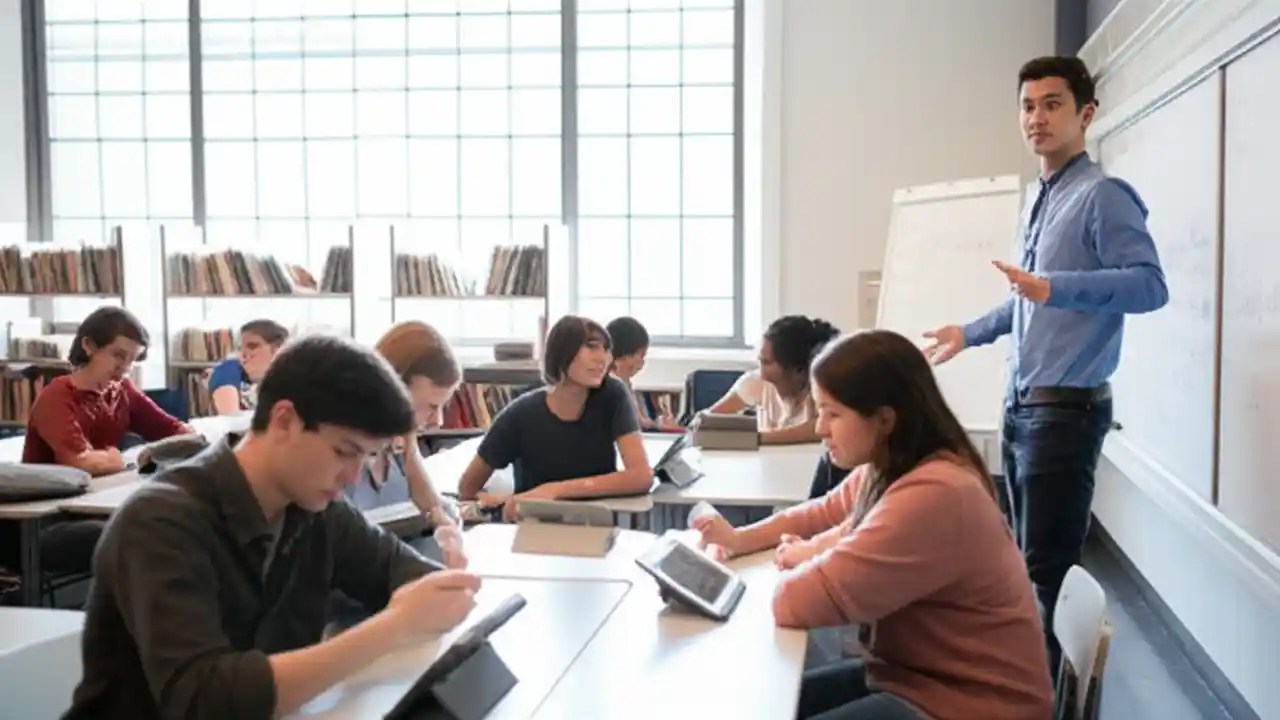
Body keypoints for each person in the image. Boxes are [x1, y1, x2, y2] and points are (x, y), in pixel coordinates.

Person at [63, 335, 482, 719]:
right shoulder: (160, 522)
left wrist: (447, 586)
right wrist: (396, 625)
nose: (354, 476)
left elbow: (402, 576)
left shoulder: (318, 509)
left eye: (366, 456)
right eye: (344, 452)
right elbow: (203, 700)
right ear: (284, 421)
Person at [921, 56, 1168, 660]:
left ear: (1085, 114)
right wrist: (969, 331)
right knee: (1024, 569)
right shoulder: (1039, 196)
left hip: (1066, 411)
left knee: (1046, 574)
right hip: (1023, 407)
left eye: (1053, 104)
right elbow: (1027, 303)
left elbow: (1149, 286)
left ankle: (1040, 701)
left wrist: (1057, 286)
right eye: (1028, 106)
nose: (1037, 117)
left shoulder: (1103, 196)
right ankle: (1026, 689)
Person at [694, 331, 1053, 720]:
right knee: (761, 704)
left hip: (971, 703)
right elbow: (822, 512)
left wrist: (810, 553)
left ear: (884, 419)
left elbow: (794, 602)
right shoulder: (897, 464)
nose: (820, 428)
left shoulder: (935, 493)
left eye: (831, 413)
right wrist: (740, 539)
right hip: (920, 676)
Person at [456, 316, 651, 519]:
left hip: (594, 523)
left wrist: (555, 490)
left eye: (606, 349)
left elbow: (641, 476)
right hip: (534, 526)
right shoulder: (521, 414)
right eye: (592, 347)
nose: (602, 358)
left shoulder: (612, 394)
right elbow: (467, 488)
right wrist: (496, 500)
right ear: (562, 352)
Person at [23, 306, 194, 476]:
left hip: (94, 490)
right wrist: (116, 459)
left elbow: (171, 429)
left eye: (132, 359)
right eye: (118, 355)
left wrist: (192, 440)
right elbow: (80, 463)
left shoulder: (123, 391)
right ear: (88, 345)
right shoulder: (56, 396)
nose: (126, 367)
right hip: (44, 498)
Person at [366, 320, 467, 568]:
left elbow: (435, 512)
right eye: (432, 406)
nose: (439, 421)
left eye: (444, 407)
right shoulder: (343, 452)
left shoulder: (398, 449)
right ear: (394, 387)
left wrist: (410, 449)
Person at [706, 315, 838, 445]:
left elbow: (821, 428)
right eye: (761, 361)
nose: (762, 374)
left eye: (767, 363)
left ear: (798, 370)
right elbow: (706, 421)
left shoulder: (824, 388)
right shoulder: (756, 382)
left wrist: (756, 439)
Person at [606, 316, 682, 432]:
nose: (642, 362)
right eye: (642, 355)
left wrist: (657, 423)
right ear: (627, 355)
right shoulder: (614, 387)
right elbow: (634, 424)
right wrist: (658, 425)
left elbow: (639, 422)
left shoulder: (624, 383)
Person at [209, 319, 289, 415]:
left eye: (252, 347)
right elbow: (231, 417)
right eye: (240, 348)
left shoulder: (293, 374)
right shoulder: (228, 369)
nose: (242, 355)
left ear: (278, 350)